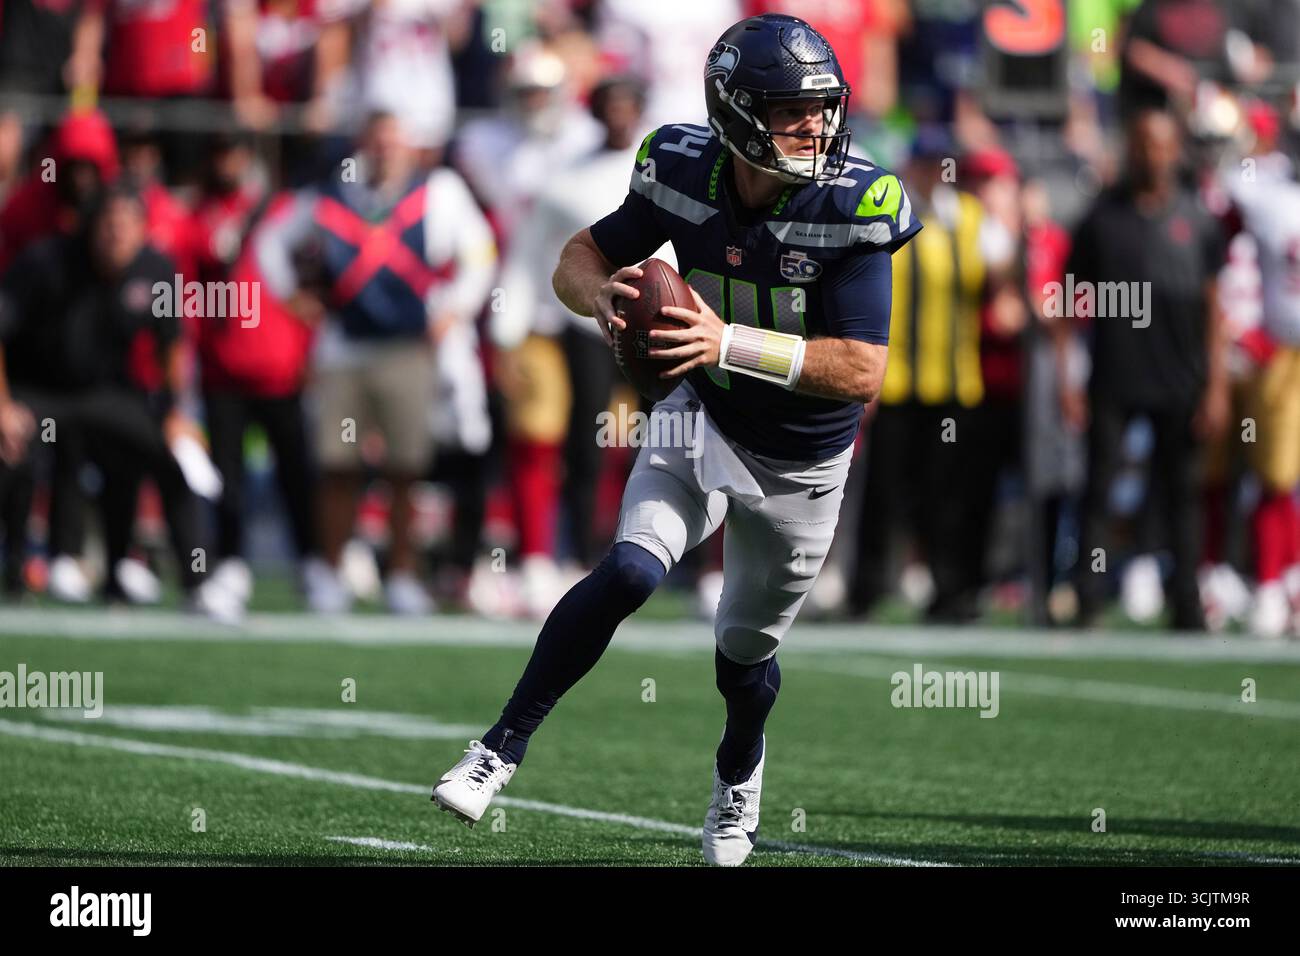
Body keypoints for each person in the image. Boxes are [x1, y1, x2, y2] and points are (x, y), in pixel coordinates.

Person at [431, 14, 920, 866]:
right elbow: (578, 255)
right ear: (736, 114)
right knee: (628, 567)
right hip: (705, 415)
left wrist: (724, 339)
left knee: (743, 656)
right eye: (792, 111)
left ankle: (739, 773)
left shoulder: (855, 203)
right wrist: (601, 298)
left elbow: (861, 368)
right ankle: (498, 748)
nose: (817, 127)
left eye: (822, 108)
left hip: (805, 460)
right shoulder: (680, 165)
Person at [255, 111, 495, 615]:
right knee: (337, 467)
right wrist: (292, 299)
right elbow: (271, 240)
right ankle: (329, 570)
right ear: (363, 144)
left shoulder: (439, 191)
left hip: (409, 347)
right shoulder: (333, 192)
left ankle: (402, 575)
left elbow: (479, 251)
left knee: (405, 470)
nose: (386, 151)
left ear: (410, 147)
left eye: (395, 142)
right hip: (346, 345)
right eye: (377, 141)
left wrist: (454, 308)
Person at [1061, 107, 1229, 630]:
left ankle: (1186, 604)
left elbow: (1215, 309)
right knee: (1100, 489)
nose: (1153, 155)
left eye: (1162, 144)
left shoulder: (1197, 218)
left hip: (1182, 379)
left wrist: (1217, 388)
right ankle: (1088, 599)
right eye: (1143, 143)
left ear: (1174, 149)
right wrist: (1068, 378)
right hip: (1114, 377)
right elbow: (1070, 301)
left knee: (1182, 494)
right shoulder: (1101, 218)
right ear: (1130, 147)